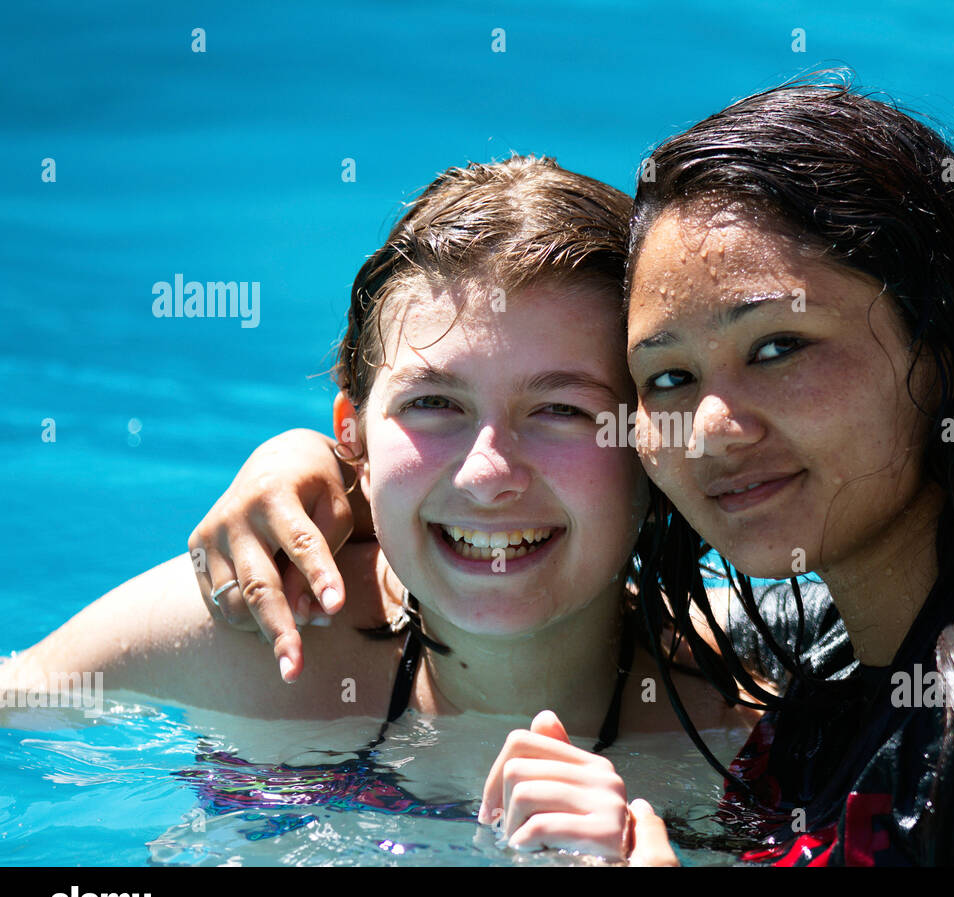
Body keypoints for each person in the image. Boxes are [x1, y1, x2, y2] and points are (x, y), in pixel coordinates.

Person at [190, 78, 954, 866]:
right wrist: (328, 471)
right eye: (665, 380)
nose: (713, 427)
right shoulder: (836, 632)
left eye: (778, 347)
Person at [1, 156, 758, 860]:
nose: (489, 473)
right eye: (433, 404)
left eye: (561, 410)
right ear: (351, 438)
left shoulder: (745, 723)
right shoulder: (246, 639)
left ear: (650, 444)